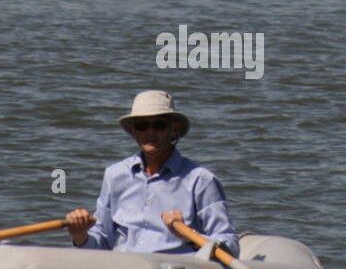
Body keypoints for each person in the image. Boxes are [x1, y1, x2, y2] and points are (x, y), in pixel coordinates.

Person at [65, 91, 239, 256]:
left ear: (174, 129)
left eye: (159, 125)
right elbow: (101, 241)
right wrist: (80, 235)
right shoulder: (114, 175)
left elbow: (230, 246)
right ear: (133, 131)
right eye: (142, 126)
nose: (150, 132)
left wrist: (189, 235)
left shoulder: (200, 180)